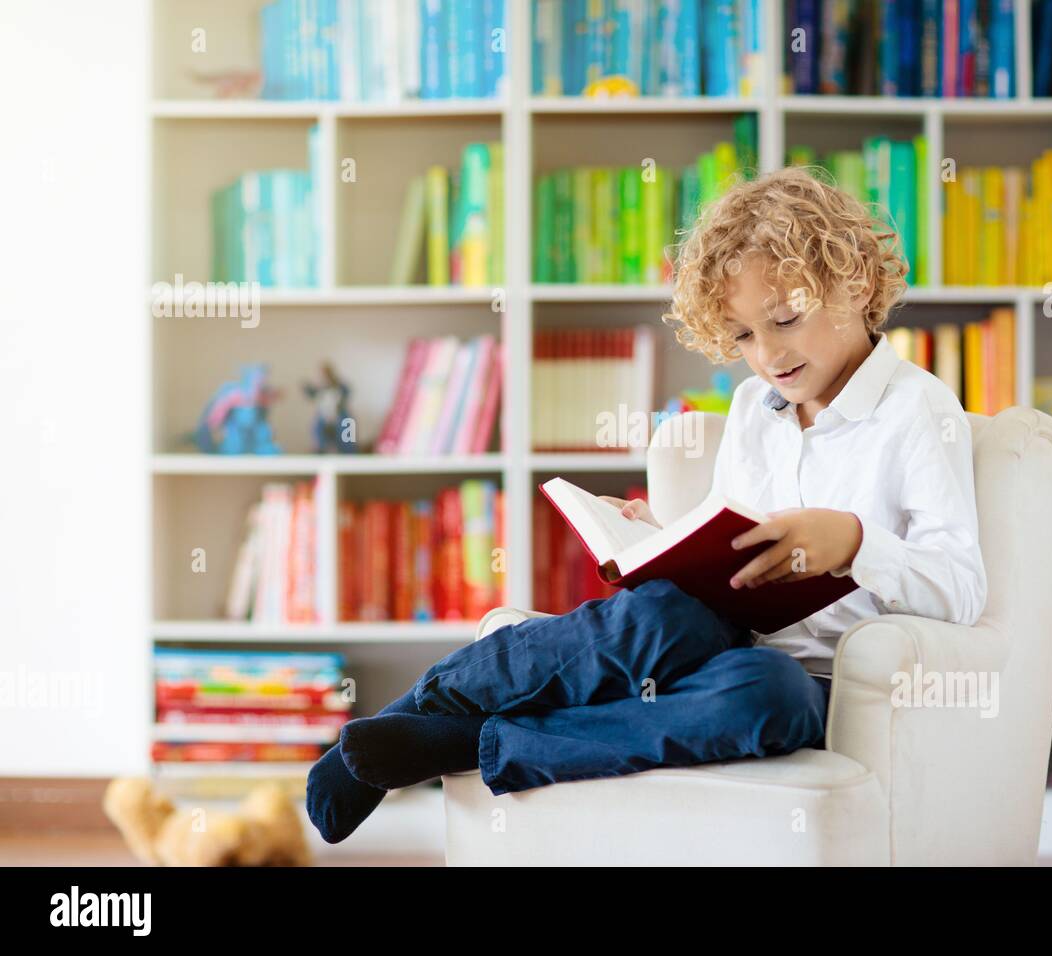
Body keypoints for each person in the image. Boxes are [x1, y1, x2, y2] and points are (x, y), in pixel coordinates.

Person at [306, 167, 988, 844]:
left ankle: (468, 742)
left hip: (814, 681)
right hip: (720, 638)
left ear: (857, 286)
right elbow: (737, 540)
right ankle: (429, 702)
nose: (768, 355)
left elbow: (961, 588)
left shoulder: (919, 410)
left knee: (764, 695)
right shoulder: (756, 407)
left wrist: (854, 541)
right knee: (663, 614)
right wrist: (659, 537)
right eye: (744, 335)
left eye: (785, 319)